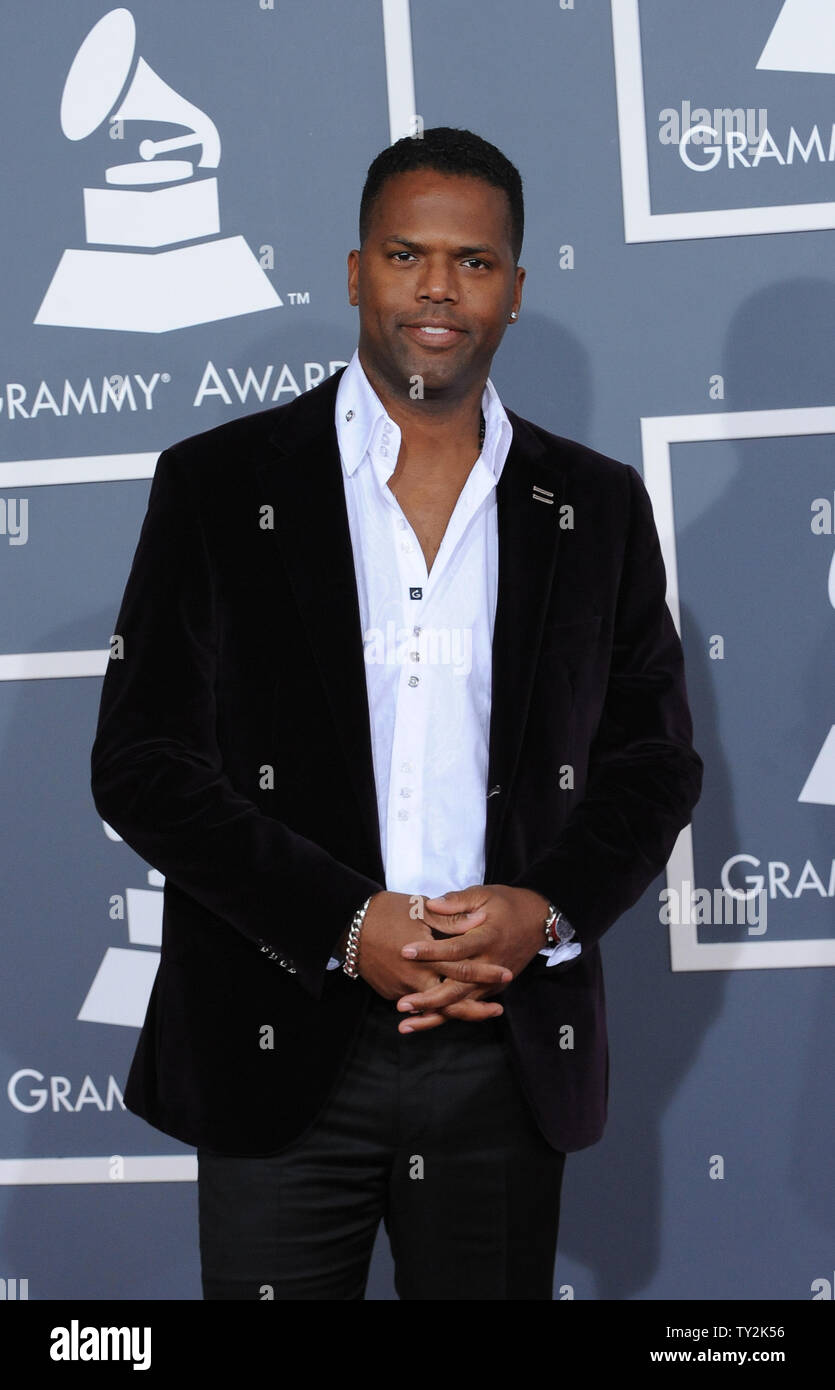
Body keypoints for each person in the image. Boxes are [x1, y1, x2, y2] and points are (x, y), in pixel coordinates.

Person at [90, 126, 703, 1300]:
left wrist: (548, 908)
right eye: (405, 253)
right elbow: (144, 760)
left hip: (501, 1040)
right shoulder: (220, 485)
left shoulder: (595, 507)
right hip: (280, 1034)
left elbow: (653, 761)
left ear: (516, 290)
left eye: (473, 262)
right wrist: (343, 920)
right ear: (355, 269)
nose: (437, 287)